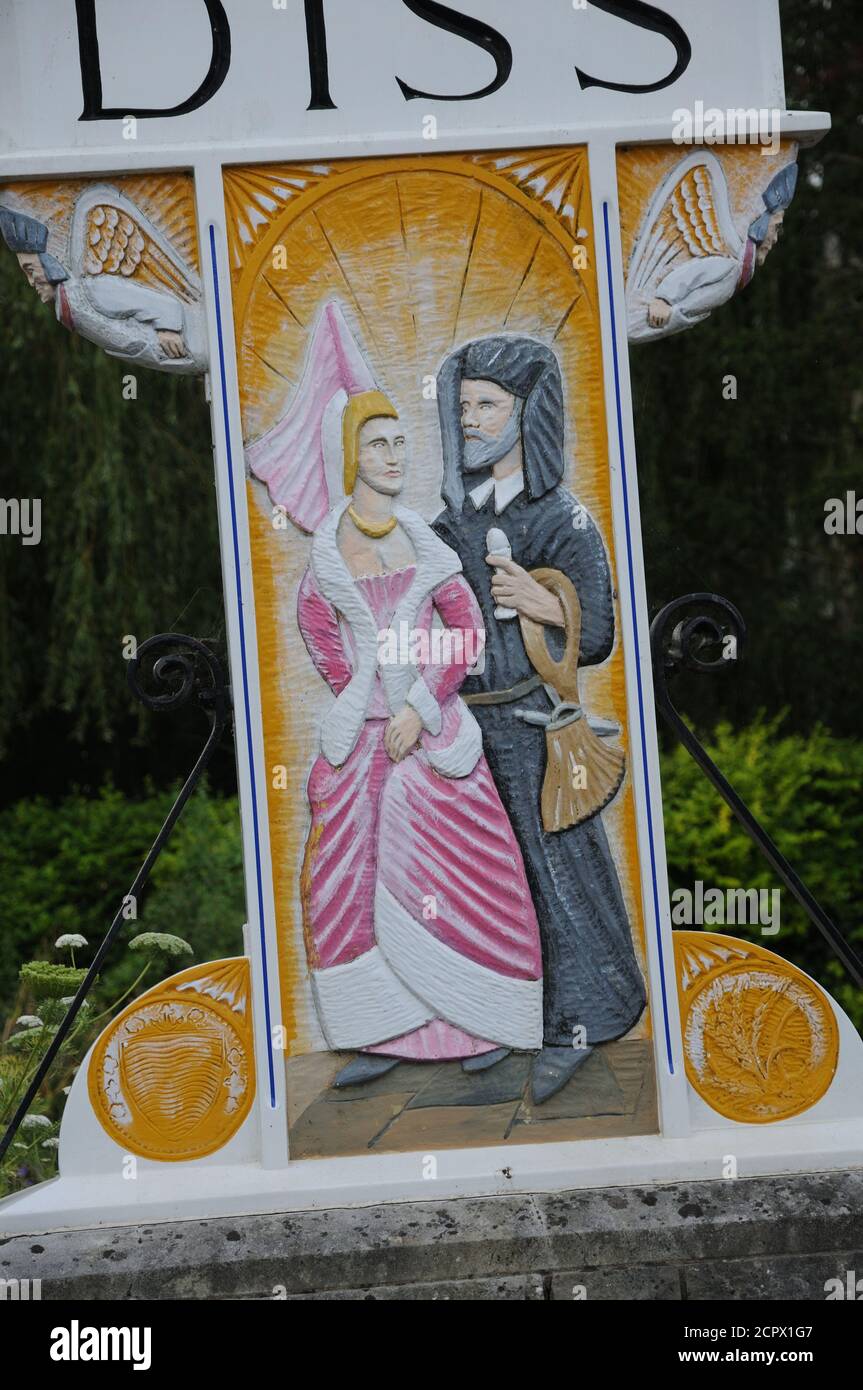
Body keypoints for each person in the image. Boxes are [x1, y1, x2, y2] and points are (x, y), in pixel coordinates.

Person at [247, 306, 543, 1088]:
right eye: (376, 444)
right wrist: (359, 694)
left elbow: (465, 624)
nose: (391, 455)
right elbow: (315, 625)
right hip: (360, 739)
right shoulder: (328, 548)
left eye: (398, 442)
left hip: (427, 730)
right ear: (350, 454)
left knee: (452, 871)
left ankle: (480, 1022)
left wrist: (419, 703)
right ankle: (380, 1034)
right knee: (345, 873)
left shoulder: (422, 539)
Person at [432, 335, 646, 1104]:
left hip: (532, 726)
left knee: (557, 876)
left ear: (529, 414)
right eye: (462, 406)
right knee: (488, 882)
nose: (472, 421)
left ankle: (586, 1019)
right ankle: (508, 1017)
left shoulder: (563, 516)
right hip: (462, 730)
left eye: (487, 404)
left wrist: (544, 604)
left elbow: (597, 636)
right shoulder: (447, 522)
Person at [0, 202, 206, 373]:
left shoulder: (91, 290)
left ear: (49, 263)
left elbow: (160, 304)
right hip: (171, 355)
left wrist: (168, 328)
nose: (30, 281)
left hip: (192, 345)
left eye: (30, 269)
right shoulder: (69, 307)